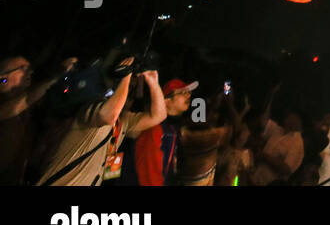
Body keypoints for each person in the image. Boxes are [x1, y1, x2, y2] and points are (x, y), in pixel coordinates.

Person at [37, 57, 166, 186]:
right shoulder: (91, 109)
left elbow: (158, 116)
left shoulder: (123, 121)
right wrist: (125, 77)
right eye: (129, 89)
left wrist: (153, 81)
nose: (131, 95)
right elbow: (109, 116)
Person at [1, 53, 77, 185]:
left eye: (29, 68)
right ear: (3, 78)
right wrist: (58, 74)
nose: (30, 72)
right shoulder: (4, 106)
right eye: (23, 68)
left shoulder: (29, 112)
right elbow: (25, 100)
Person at [132, 78, 197, 186]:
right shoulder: (154, 128)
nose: (189, 95)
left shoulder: (172, 128)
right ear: (166, 101)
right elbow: (149, 176)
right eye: (183, 92)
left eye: (189, 92)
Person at [250, 106, 305, 185]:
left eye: (290, 116)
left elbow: (286, 169)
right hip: (254, 177)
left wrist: (265, 157)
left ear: (297, 120)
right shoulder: (278, 130)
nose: (287, 117)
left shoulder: (297, 143)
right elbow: (263, 120)